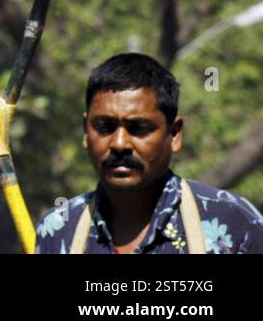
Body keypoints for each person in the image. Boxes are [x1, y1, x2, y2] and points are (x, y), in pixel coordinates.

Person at [35, 52, 263, 253]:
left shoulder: (235, 223)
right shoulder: (58, 229)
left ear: (174, 134)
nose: (120, 143)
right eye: (105, 126)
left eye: (139, 128)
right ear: (86, 131)